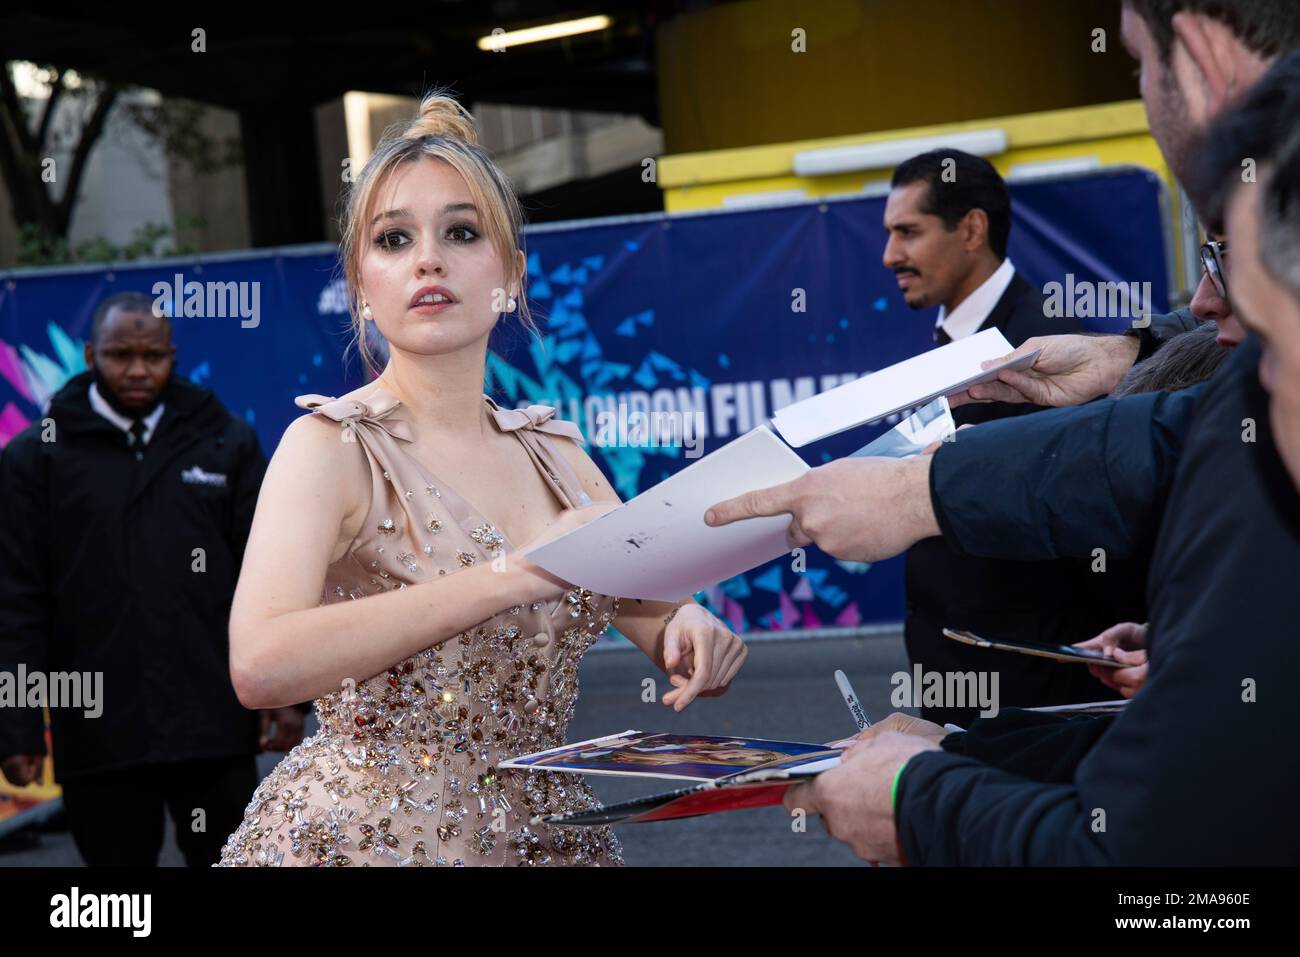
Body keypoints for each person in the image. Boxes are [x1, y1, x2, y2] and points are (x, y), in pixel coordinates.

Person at [782, 46, 1300, 866]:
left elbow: (1160, 881)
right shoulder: (1104, 349)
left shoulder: (1051, 340)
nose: (889, 254)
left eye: (908, 231)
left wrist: (930, 795)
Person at [214, 92, 748, 868]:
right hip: (361, 844)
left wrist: (685, 630)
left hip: (545, 839)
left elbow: (650, 604)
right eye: (394, 239)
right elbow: (260, 664)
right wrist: (514, 574)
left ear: (511, 274)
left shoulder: (555, 452)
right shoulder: (330, 446)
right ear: (362, 284)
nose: (428, 259)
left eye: (461, 233)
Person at [0, 292, 299, 867]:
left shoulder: (226, 442)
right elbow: (16, 600)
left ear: (173, 356)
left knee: (233, 862)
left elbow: (272, 577)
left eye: (153, 356)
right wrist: (15, 728)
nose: (138, 370)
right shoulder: (36, 458)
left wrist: (287, 694)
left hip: (212, 722)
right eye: (120, 355)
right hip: (98, 727)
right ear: (90, 355)